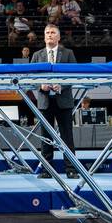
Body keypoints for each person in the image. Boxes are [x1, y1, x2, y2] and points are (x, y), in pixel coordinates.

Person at [31, 24, 79, 179]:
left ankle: (71, 169)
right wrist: (41, 86)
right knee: (46, 138)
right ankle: (47, 170)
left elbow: (75, 75)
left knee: (67, 137)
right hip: (45, 101)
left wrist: (61, 86)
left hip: (63, 101)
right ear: (44, 36)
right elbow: (30, 78)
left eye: (52, 33)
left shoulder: (68, 53)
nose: (49, 35)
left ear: (58, 37)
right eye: (47, 33)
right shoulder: (37, 55)